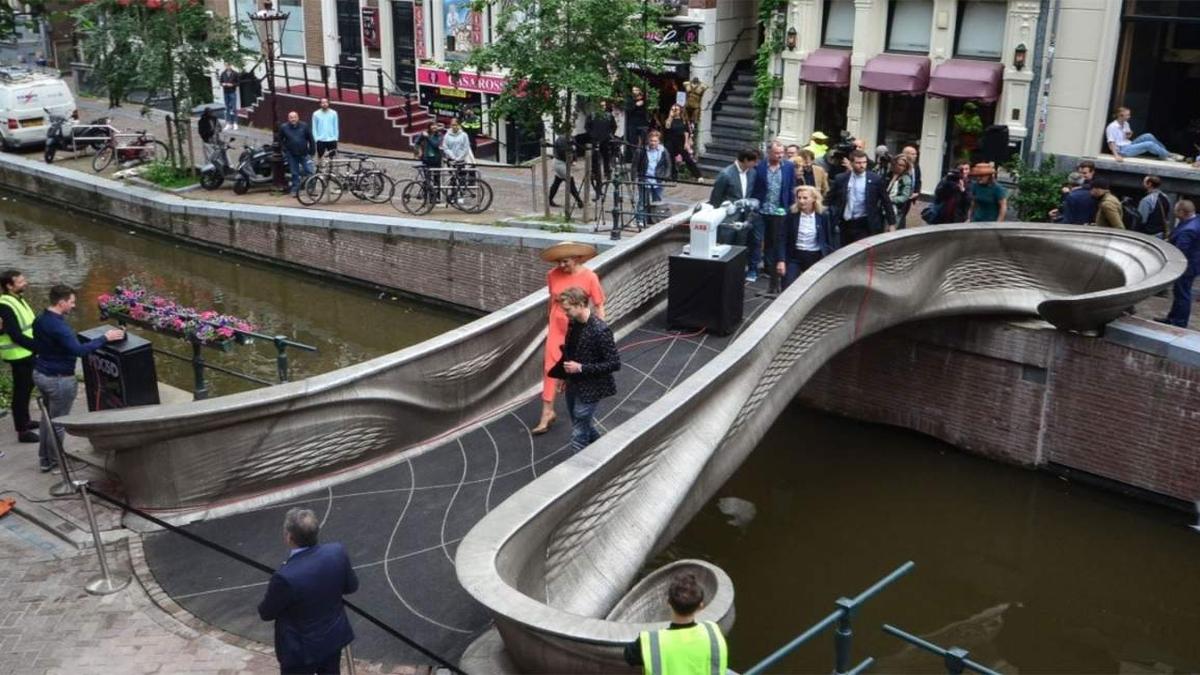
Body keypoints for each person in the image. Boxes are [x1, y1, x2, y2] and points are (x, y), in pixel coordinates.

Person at [32, 285, 124, 473]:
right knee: (58, 422)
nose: (74, 306)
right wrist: (105, 338)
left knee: (47, 419)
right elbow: (78, 350)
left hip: (41, 373)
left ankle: (45, 459)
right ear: (61, 302)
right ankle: (56, 462)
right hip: (59, 380)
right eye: (72, 302)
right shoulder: (60, 327)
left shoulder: (40, 319)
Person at [258, 508, 358, 675]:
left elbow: (266, 613)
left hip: (301, 650)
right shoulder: (337, 552)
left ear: (289, 537)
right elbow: (351, 587)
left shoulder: (285, 577)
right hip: (332, 638)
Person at [533, 242, 606, 435]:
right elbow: (552, 300)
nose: (561, 265)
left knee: (577, 368)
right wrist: (549, 320)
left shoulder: (590, 277)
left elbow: (599, 305)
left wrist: (600, 332)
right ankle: (547, 412)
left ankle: (583, 413)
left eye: (565, 261)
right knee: (550, 367)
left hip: (579, 328)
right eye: (558, 261)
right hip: (557, 327)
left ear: (576, 258)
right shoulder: (552, 275)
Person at [554, 286, 620, 452]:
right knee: (580, 421)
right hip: (573, 382)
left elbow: (614, 363)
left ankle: (579, 462)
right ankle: (603, 448)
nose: (565, 313)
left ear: (581, 304)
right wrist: (562, 376)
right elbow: (568, 352)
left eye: (567, 309)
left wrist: (581, 368)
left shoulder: (600, 330)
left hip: (592, 386)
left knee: (579, 427)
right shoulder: (573, 323)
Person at [623, 573, 728, 675]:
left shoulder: (651, 642)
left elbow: (629, 656)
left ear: (668, 603)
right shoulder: (713, 633)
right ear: (700, 606)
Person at [749, 140, 796, 293]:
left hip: (779, 210)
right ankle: (753, 269)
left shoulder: (788, 167)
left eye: (782, 153)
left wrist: (791, 206)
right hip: (761, 209)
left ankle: (770, 268)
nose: (780, 156)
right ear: (769, 153)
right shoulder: (759, 167)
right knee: (757, 240)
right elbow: (754, 186)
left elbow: (791, 187)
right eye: (776, 153)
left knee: (774, 240)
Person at [0, 270, 38, 444]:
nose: (25, 283)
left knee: (27, 387)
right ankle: (22, 431)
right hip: (18, 354)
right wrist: (38, 346)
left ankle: (26, 420)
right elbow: (15, 334)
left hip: (26, 351)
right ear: (9, 285)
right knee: (21, 391)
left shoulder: (17, 299)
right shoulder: (5, 305)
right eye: (21, 281)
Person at [827, 149, 894, 245]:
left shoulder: (875, 179)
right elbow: (830, 198)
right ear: (851, 163)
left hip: (864, 222)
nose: (862, 165)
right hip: (845, 223)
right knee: (845, 249)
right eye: (858, 163)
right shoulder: (841, 178)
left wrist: (891, 223)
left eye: (864, 162)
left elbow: (886, 201)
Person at [776, 185, 836, 290]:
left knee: (814, 288)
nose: (801, 201)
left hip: (815, 255)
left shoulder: (823, 215)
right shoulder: (791, 214)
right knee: (788, 286)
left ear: (813, 199)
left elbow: (829, 238)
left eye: (805, 198)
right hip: (794, 255)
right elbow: (782, 238)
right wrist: (781, 260)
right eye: (799, 198)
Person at [1160, 200, 1199, 328]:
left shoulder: (1188, 230)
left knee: (1182, 294)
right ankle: (1172, 318)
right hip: (1194, 263)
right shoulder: (1196, 220)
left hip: (1187, 267)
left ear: (1182, 212)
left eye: (1176, 211)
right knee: (1180, 292)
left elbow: (1179, 252)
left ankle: (1179, 322)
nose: (1174, 213)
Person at [709, 147, 759, 245]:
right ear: (746, 160)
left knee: (741, 247)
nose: (756, 164)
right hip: (728, 219)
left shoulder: (752, 173)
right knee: (725, 245)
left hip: (744, 218)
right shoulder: (726, 174)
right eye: (754, 161)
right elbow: (715, 198)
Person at [1106, 107, 1172, 162]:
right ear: (1120, 116)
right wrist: (1116, 156)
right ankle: (1167, 155)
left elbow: (1127, 137)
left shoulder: (1126, 123)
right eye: (1127, 115)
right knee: (1149, 144)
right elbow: (1111, 142)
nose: (1129, 116)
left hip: (1128, 144)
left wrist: (1129, 135)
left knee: (1148, 136)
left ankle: (1166, 153)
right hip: (1122, 150)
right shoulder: (1112, 127)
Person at [635, 130, 671, 226]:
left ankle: (655, 219)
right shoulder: (642, 150)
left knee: (657, 201)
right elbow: (635, 165)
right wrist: (634, 178)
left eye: (655, 141)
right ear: (648, 140)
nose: (653, 143)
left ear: (659, 141)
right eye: (651, 140)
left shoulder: (663, 151)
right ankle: (640, 220)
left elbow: (668, 164)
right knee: (642, 201)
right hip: (645, 178)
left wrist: (665, 176)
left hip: (657, 179)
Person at [278, 111, 315, 197]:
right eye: (291, 117)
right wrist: (284, 149)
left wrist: (312, 151)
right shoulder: (284, 127)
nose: (293, 119)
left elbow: (311, 139)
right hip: (291, 154)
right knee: (294, 173)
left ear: (298, 117)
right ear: (288, 118)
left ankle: (311, 189)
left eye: (294, 117)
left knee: (309, 171)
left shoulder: (304, 126)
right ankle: (295, 189)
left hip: (304, 153)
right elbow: (280, 139)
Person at [662, 104, 701, 181]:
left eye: (676, 109)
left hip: (681, 141)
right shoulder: (669, 120)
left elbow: (686, 132)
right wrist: (670, 116)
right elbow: (667, 127)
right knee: (670, 159)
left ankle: (698, 176)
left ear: (680, 111)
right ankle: (673, 176)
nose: (674, 111)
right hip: (670, 141)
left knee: (687, 158)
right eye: (672, 109)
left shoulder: (684, 120)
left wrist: (686, 142)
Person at [586, 100, 617, 195]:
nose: (602, 107)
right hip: (595, 139)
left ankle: (607, 171)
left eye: (604, 106)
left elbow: (614, 126)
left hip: (605, 139)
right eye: (600, 105)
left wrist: (610, 135)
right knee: (595, 158)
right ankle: (595, 173)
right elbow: (587, 126)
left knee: (606, 156)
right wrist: (592, 135)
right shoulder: (592, 115)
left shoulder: (609, 116)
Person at [549, 129, 584, 209]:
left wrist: (574, 159)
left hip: (564, 163)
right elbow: (562, 152)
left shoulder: (572, 138)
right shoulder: (561, 139)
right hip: (559, 163)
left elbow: (575, 150)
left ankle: (550, 200)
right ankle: (579, 201)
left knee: (557, 181)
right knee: (570, 180)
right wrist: (570, 158)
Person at [415, 122, 445, 197]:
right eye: (432, 125)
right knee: (427, 178)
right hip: (426, 159)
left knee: (436, 179)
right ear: (429, 127)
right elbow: (417, 142)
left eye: (435, 125)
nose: (434, 127)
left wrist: (428, 137)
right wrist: (419, 151)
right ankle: (426, 195)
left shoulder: (439, 135)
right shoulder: (424, 134)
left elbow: (436, 144)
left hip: (436, 159)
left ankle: (436, 196)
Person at [885, 156, 913, 232]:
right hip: (882, 208)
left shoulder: (906, 179)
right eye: (899, 164)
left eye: (903, 166)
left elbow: (904, 197)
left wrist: (889, 199)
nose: (901, 167)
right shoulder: (888, 175)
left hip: (895, 210)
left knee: (889, 232)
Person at [625, 86, 650, 152]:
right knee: (633, 141)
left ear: (640, 91)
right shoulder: (630, 100)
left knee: (643, 141)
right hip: (632, 123)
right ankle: (634, 154)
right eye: (633, 90)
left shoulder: (644, 100)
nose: (634, 92)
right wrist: (636, 105)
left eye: (636, 90)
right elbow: (628, 110)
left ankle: (643, 153)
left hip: (642, 123)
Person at [902, 144, 922, 222]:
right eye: (913, 154)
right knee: (900, 215)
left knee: (904, 214)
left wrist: (917, 192)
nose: (915, 156)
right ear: (906, 154)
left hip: (910, 197)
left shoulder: (916, 166)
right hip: (902, 196)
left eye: (916, 154)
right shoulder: (901, 165)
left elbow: (918, 180)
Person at [219, 62, 240, 131]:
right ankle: (229, 123)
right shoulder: (223, 73)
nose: (227, 66)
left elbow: (238, 83)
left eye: (228, 65)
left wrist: (232, 84)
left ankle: (235, 123)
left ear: (231, 65)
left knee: (233, 108)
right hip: (225, 92)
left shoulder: (235, 73)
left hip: (232, 92)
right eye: (226, 65)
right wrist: (223, 84)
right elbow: (220, 82)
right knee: (227, 107)